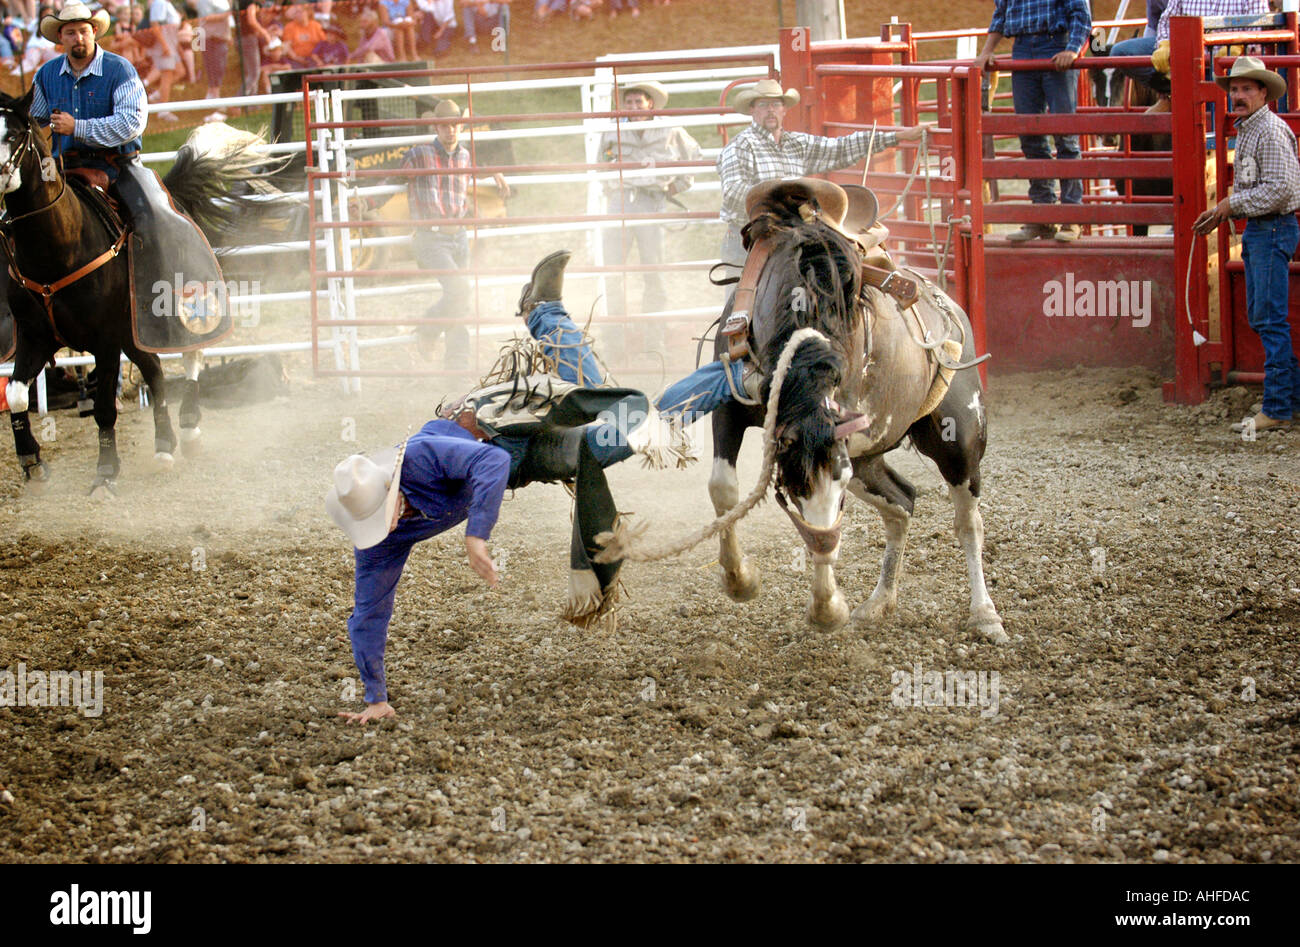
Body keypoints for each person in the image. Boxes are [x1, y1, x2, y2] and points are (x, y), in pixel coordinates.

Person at [329, 251, 650, 724]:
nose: (390, 521)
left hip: (504, 430)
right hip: (511, 464)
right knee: (612, 427)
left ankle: (543, 312)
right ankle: (546, 312)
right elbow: (367, 615)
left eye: (386, 508)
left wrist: (476, 535)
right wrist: (375, 697)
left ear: (392, 486)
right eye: (379, 520)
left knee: (614, 413)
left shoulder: (420, 454)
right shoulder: (380, 540)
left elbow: (492, 460)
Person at [29, 2, 225, 326]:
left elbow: (131, 124)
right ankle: (27, 313)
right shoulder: (46, 75)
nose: (78, 37)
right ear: (60, 38)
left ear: (94, 32)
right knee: (17, 220)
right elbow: (34, 121)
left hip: (118, 164)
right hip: (62, 167)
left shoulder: (120, 69)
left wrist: (76, 127)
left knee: (158, 218)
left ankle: (177, 303)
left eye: (83, 30)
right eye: (70, 32)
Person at [716, 77, 928, 271]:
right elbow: (734, 193)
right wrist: (781, 200)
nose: (770, 110)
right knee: (742, 305)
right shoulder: (740, 147)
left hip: (789, 237)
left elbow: (841, 148)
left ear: (784, 110)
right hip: (748, 239)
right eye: (763, 105)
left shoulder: (795, 144)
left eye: (776, 104)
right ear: (753, 110)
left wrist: (898, 136)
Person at [1195, 56, 1300, 433]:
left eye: (1246, 89)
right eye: (1235, 89)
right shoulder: (1253, 129)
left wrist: (1230, 204)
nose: (1238, 95)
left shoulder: (1268, 131)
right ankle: (1289, 399)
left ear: (1263, 93)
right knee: (1264, 317)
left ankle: (1275, 407)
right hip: (1265, 229)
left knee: (1268, 319)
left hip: (1271, 227)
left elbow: (1282, 189)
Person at [398, 98, 509, 367]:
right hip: (431, 237)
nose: (451, 130)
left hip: (458, 235)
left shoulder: (464, 155)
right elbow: (392, 177)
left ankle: (457, 363)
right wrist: (366, 201)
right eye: (445, 125)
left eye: (455, 124)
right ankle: (427, 329)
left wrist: (492, 172)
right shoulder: (419, 154)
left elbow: (471, 170)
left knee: (461, 297)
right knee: (460, 288)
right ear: (435, 127)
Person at [598, 79, 702, 357]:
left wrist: (674, 186)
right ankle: (616, 341)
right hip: (620, 203)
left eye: (638, 102)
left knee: (653, 272)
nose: (633, 107)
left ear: (650, 104)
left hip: (652, 203)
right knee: (614, 272)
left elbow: (694, 157)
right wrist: (611, 188)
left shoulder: (670, 130)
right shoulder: (613, 130)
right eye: (628, 102)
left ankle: (653, 340)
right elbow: (601, 164)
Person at [975, 0, 1091, 243]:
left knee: (1064, 135)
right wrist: (987, 50)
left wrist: (1072, 48)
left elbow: (1081, 13)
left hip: (1056, 44)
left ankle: (1072, 217)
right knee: (1030, 136)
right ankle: (1043, 215)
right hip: (1023, 49)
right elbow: (1001, 12)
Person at [1111, 1, 1268, 110]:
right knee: (1121, 53)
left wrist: (1237, 45)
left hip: (1228, 60)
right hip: (1188, 55)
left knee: (1227, 77)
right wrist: (1165, 44)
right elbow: (1165, 21)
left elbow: (1259, 24)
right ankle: (1175, 92)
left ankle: (1189, 96)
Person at [194, 0, 233, 121]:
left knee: (219, 71)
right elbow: (206, 17)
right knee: (214, 71)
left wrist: (229, 35)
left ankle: (214, 103)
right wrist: (226, 14)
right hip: (209, 39)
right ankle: (214, 109)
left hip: (221, 39)